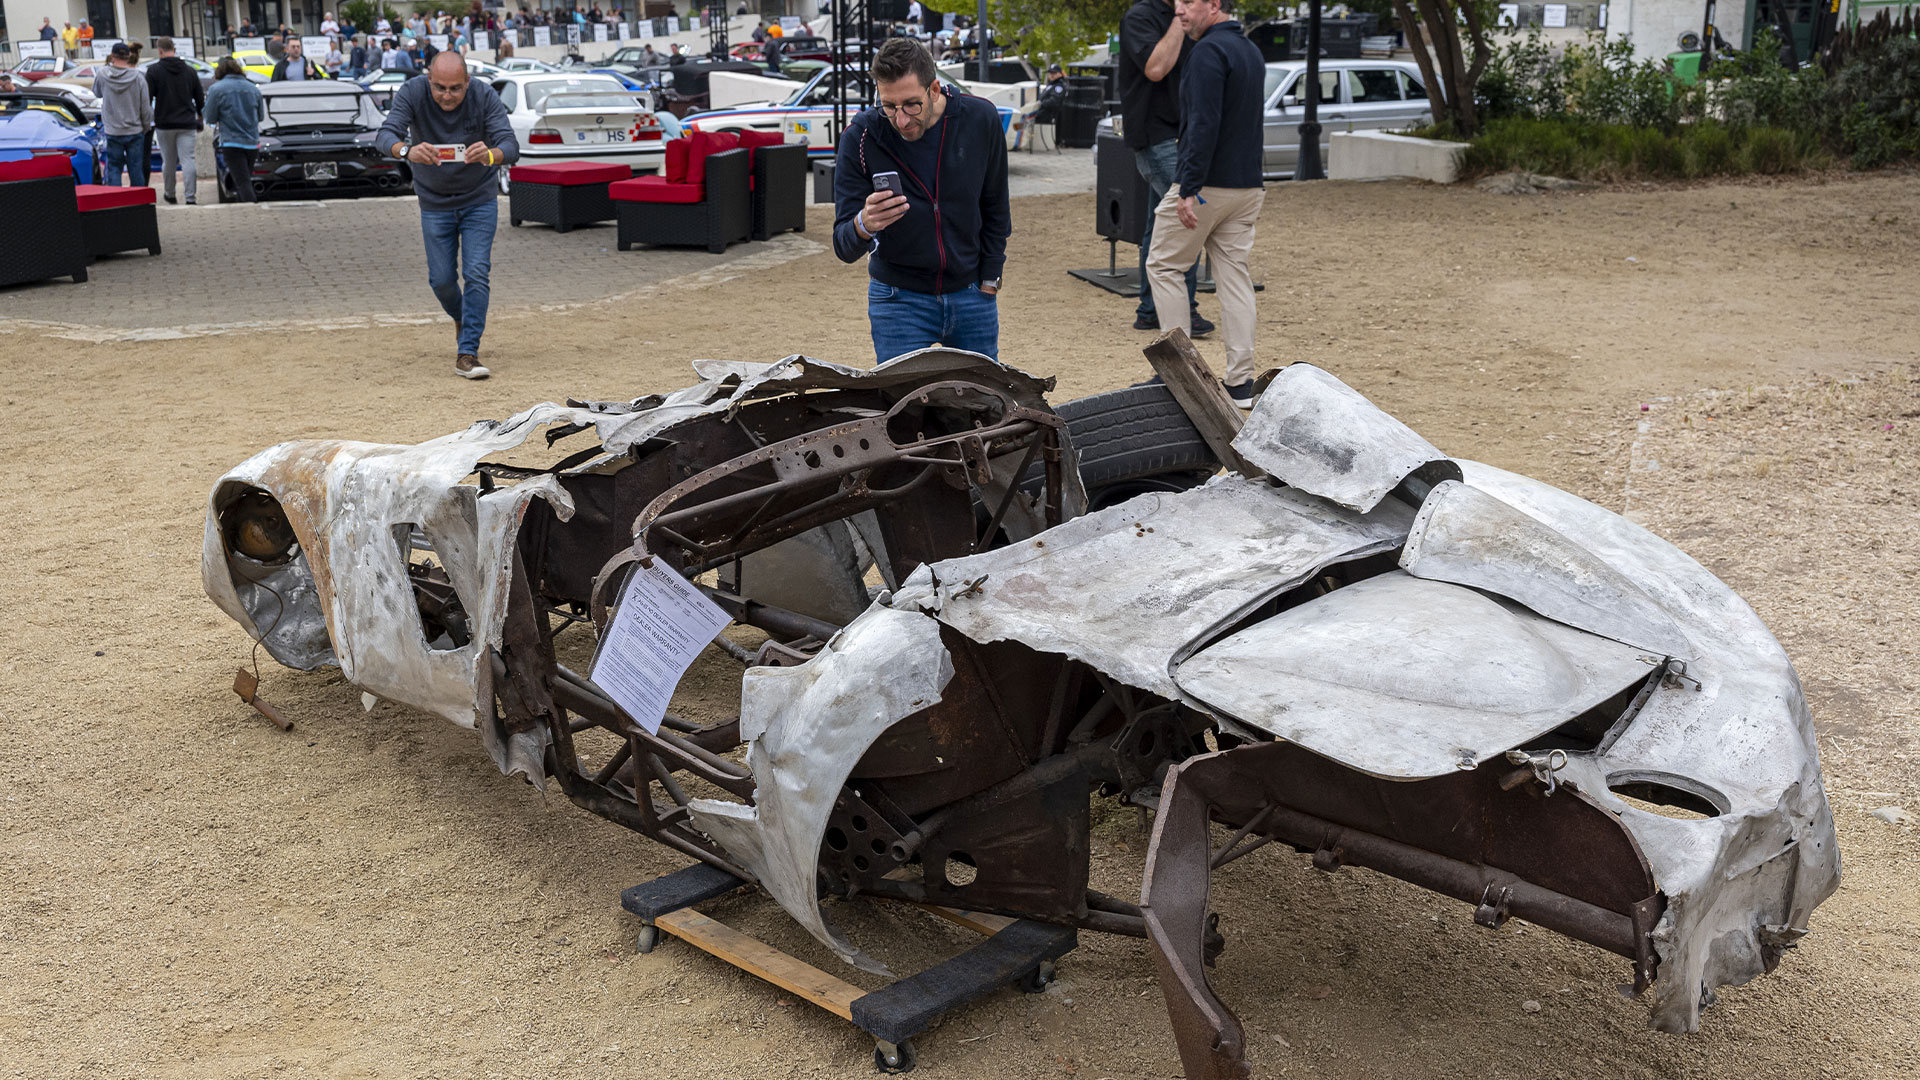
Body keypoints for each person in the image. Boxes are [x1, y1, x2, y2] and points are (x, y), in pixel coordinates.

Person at [833, 37, 1009, 363]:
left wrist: (990, 278)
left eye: (911, 104)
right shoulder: (861, 136)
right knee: (904, 410)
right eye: (888, 106)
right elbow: (842, 245)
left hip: (972, 294)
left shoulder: (980, 119)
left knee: (983, 406)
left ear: (935, 90)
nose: (900, 119)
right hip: (898, 300)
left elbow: (996, 205)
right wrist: (863, 225)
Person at [1145, 0, 1265, 406]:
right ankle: (1240, 383)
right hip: (1248, 185)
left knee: (1163, 265)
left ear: (1213, 5)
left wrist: (1188, 187)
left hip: (1208, 184)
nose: (1179, 10)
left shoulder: (1208, 52)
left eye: (1188, 3)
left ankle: (1180, 376)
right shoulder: (1249, 49)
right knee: (1234, 276)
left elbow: (1202, 122)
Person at [375, 52, 519, 379]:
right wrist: (406, 150)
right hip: (434, 202)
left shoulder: (483, 95)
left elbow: (511, 146)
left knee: (477, 272)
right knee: (441, 280)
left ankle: (468, 353)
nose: (447, 96)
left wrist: (490, 155)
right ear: (429, 81)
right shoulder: (412, 92)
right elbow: (385, 136)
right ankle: (462, 317)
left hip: (478, 200)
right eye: (439, 88)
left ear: (468, 82)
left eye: (455, 88)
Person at [1119, 0, 1211, 338]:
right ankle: (1182, 310)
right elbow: (1156, 68)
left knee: (1157, 224)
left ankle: (1149, 309)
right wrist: (1178, 18)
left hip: (1178, 134)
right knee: (1184, 220)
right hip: (1156, 135)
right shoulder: (1141, 17)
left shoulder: (1190, 19)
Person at [146, 37, 205, 205]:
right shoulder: (189, 71)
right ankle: (190, 197)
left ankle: (170, 194)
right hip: (187, 122)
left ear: (160, 50)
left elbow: (147, 99)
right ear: (174, 49)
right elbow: (199, 97)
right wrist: (200, 117)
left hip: (164, 123)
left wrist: (148, 119)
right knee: (188, 160)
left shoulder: (153, 71)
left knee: (168, 161)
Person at [204, 56, 263, 202]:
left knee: (242, 182)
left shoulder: (216, 89)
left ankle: (251, 209)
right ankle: (242, 208)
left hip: (231, 142)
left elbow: (210, 118)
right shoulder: (253, 88)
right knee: (244, 178)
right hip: (252, 142)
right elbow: (260, 116)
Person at [92, 44, 153, 186]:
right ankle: (139, 202)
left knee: (114, 167)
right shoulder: (138, 78)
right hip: (135, 130)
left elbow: (97, 93)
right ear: (128, 57)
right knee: (136, 168)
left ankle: (116, 203)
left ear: (112, 57)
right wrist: (145, 127)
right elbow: (145, 107)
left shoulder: (102, 74)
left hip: (113, 130)